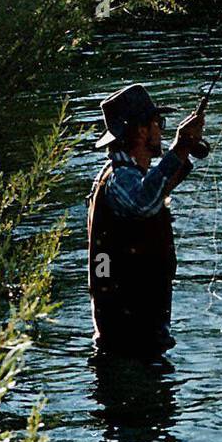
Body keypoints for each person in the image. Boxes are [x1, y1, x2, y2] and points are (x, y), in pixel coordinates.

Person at [87, 84, 205, 357]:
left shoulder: (123, 175)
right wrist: (180, 147)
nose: (161, 130)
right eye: (158, 123)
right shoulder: (121, 180)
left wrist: (183, 152)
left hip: (131, 334)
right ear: (141, 130)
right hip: (128, 339)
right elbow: (143, 202)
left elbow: (153, 191)